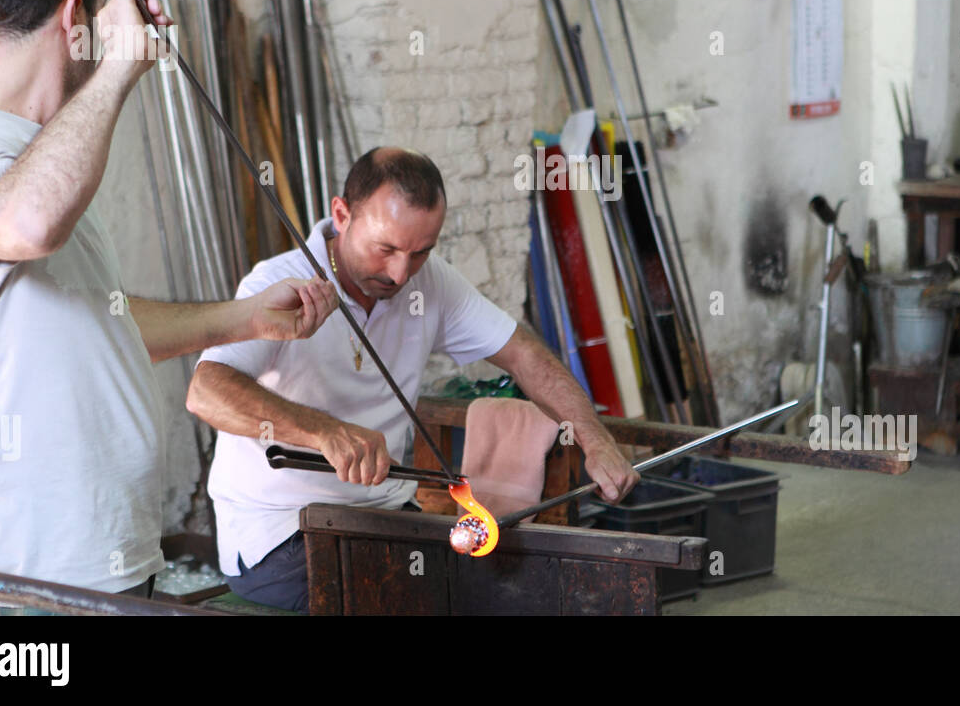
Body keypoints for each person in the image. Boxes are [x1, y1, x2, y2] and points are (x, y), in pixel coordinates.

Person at [0, 0, 338, 614]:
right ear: (75, 17)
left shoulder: (27, 156)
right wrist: (120, 67)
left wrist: (243, 319)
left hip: (89, 569)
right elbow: (24, 223)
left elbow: (97, 321)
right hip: (32, 581)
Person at [188, 146, 641, 612]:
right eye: (385, 249)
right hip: (280, 530)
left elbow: (525, 355)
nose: (401, 272)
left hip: (387, 516)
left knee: (506, 590)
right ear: (341, 214)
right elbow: (206, 390)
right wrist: (323, 431)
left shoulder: (432, 285)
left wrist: (595, 440)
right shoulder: (280, 282)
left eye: (421, 252)